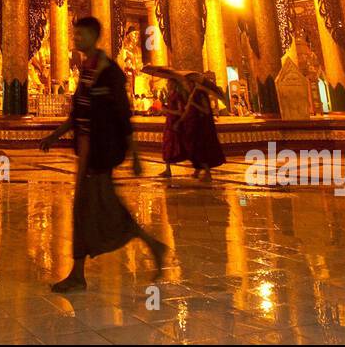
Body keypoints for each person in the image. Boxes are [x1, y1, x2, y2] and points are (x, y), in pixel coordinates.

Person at [40, 16, 167, 293]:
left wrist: (134, 154)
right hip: (86, 152)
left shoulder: (109, 72)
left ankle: (80, 273)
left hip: (100, 153)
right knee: (99, 210)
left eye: (81, 35)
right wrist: (54, 135)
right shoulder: (87, 70)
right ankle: (149, 246)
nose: (76, 39)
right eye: (74, 35)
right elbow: (78, 114)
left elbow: (123, 114)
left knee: (90, 211)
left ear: (94, 37)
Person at [180, 76, 226, 181]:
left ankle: (207, 173)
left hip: (202, 126)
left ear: (192, 83)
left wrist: (194, 104)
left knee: (201, 149)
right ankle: (197, 170)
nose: (186, 86)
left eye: (187, 84)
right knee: (193, 148)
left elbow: (206, 111)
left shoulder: (200, 94)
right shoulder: (192, 94)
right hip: (193, 125)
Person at [158, 80, 190, 178]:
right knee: (167, 145)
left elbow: (180, 111)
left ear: (174, 83)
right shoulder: (170, 95)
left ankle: (199, 166)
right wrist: (164, 107)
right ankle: (168, 169)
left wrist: (167, 110)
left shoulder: (177, 96)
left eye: (169, 83)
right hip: (169, 122)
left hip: (175, 123)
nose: (167, 85)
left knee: (177, 144)